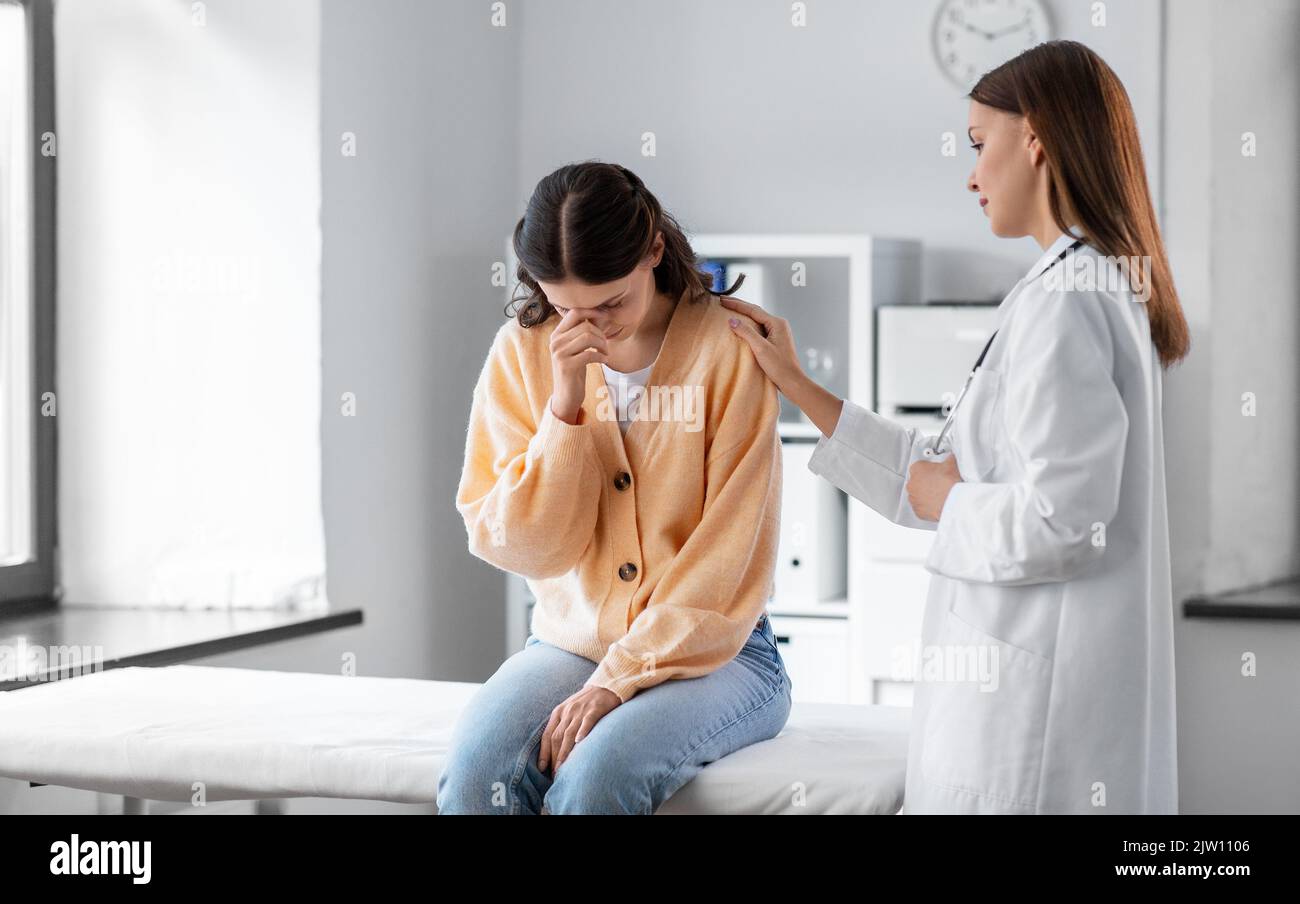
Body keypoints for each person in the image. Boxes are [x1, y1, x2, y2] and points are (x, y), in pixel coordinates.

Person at [723, 40, 1189, 814]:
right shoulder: (1074, 284)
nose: (971, 174)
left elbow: (1063, 521)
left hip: (1034, 724)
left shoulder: (1069, 300)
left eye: (980, 145)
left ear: (1035, 137)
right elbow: (940, 470)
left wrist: (948, 503)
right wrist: (799, 387)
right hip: (1031, 691)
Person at [441, 161, 791, 814]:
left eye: (611, 303)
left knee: (596, 780)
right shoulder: (522, 352)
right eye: (569, 308)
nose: (592, 326)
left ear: (654, 250)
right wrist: (565, 410)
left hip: (720, 652)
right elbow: (524, 547)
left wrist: (616, 683)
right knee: (472, 774)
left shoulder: (730, 350)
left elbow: (722, 560)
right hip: (571, 644)